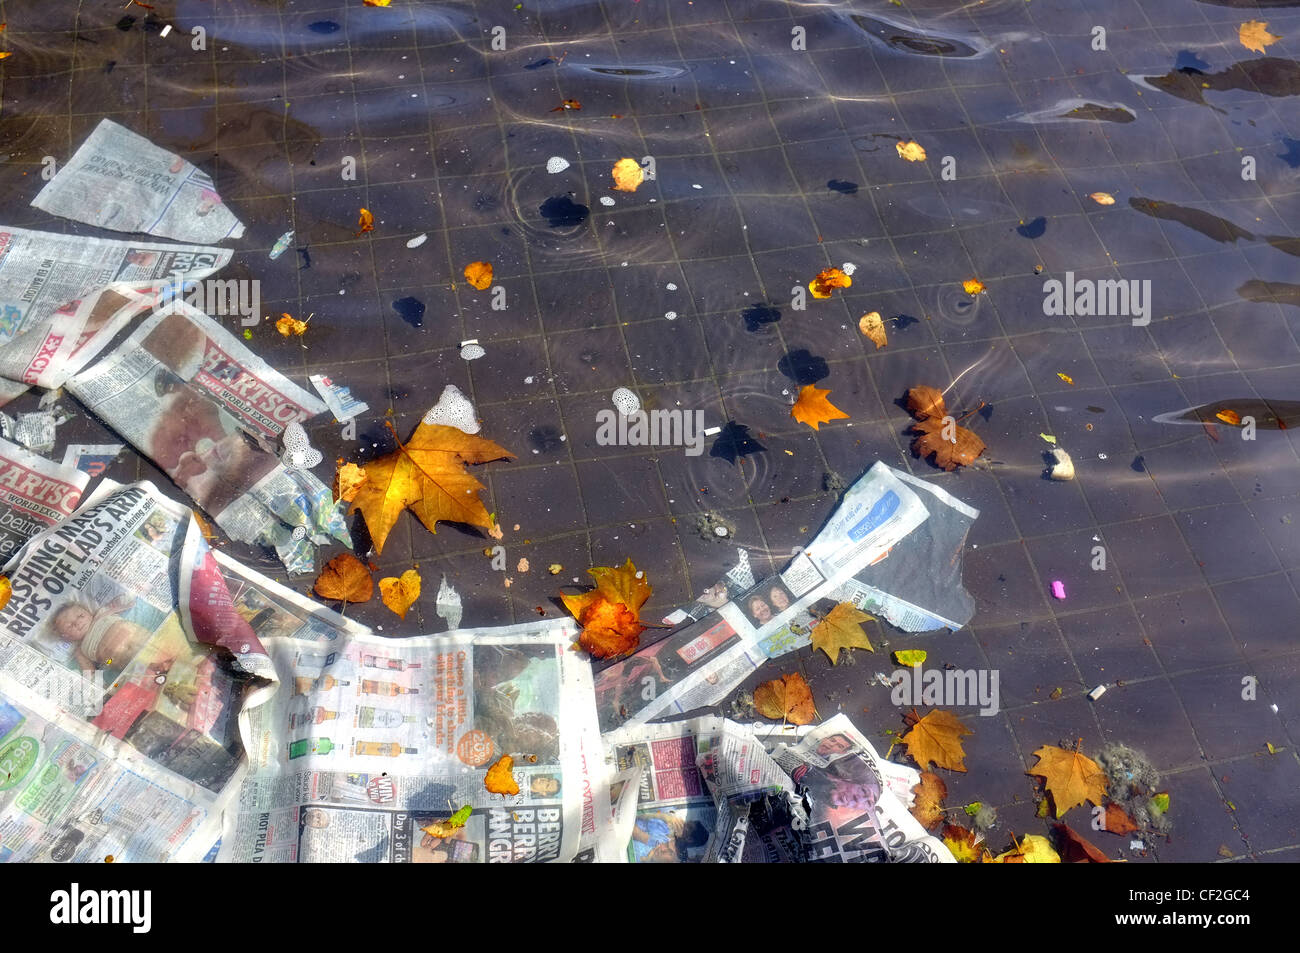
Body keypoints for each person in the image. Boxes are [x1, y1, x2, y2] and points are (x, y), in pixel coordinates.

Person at [50, 597, 147, 673]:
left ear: (88, 612)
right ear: (67, 637)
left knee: (149, 644)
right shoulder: (80, 651)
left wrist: (126, 600)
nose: (78, 622)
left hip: (136, 636)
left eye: (80, 616)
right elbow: (89, 670)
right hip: (116, 659)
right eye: (70, 626)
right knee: (137, 669)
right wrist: (96, 681)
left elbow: (122, 602)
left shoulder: (102, 613)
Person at [630, 812, 710, 863]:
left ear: (689, 839)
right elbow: (636, 819)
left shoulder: (672, 857)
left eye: (688, 827)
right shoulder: (666, 826)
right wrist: (663, 817)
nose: (683, 823)